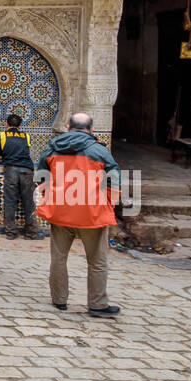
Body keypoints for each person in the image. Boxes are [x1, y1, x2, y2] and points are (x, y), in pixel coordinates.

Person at [35, 112, 122, 317]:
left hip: (60, 212)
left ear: (67, 127)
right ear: (91, 130)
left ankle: (59, 300)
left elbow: (40, 177)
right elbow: (115, 179)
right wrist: (108, 204)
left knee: (58, 257)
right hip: (92, 214)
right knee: (97, 261)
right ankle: (97, 304)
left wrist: (50, 198)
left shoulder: (52, 148)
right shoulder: (99, 151)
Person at [0, 112, 44, 239]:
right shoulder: (26, 136)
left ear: (6, 124)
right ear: (20, 126)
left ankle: (11, 233)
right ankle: (31, 233)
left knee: (10, 201)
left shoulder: (1, 135)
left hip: (11, 170)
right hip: (27, 170)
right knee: (29, 202)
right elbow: (25, 150)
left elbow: (0, 153)